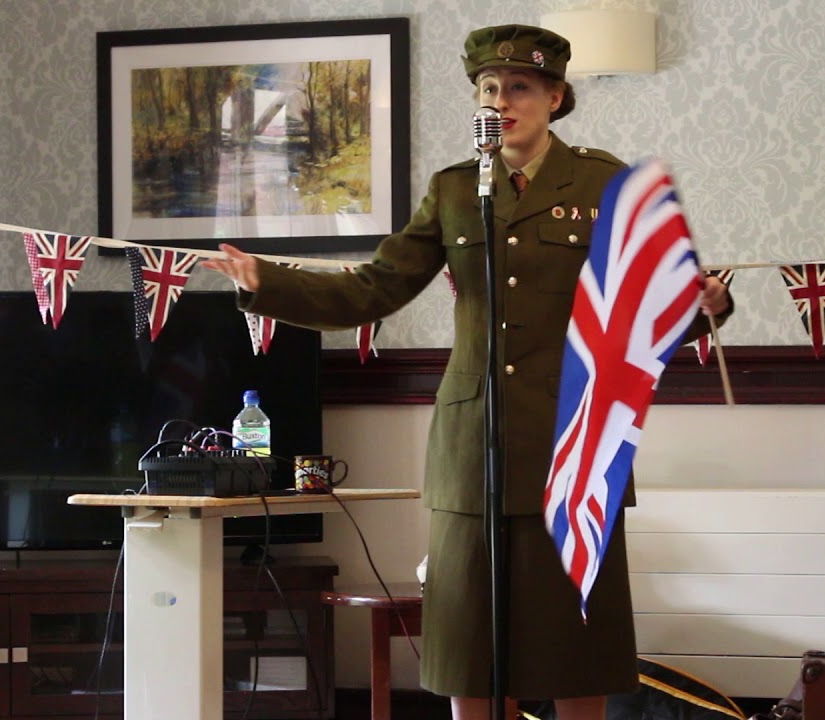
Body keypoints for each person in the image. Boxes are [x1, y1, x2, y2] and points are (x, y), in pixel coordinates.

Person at [203, 24, 733, 720]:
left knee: (575, 643)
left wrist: (705, 309)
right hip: (471, 443)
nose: (503, 99)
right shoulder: (456, 189)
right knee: (469, 648)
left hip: (572, 442)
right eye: (489, 88)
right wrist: (266, 283)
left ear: (555, 96)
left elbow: (649, 306)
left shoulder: (604, 184)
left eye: (519, 86)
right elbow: (374, 289)